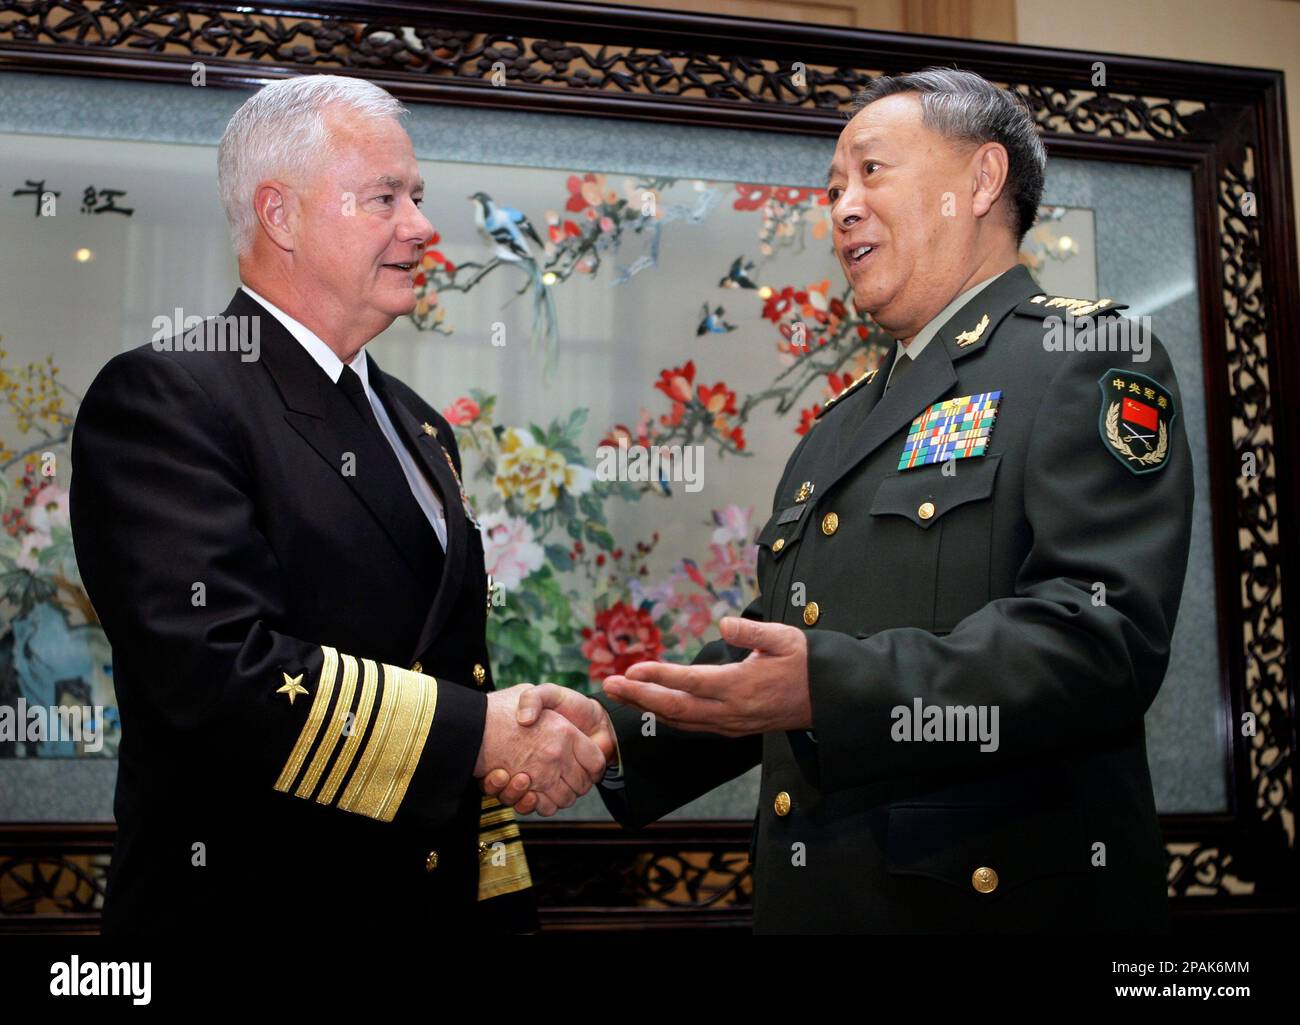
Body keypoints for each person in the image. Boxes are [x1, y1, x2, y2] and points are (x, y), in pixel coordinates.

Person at [490, 67, 1194, 933]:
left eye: (871, 171)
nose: (842, 207)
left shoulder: (1083, 357)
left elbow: (1099, 644)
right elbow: (783, 641)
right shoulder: (841, 422)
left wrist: (829, 687)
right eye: (832, 188)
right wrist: (617, 729)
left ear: (980, 181)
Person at [69, 74, 612, 935]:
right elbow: (218, 671)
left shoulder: (421, 426)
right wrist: (479, 734)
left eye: (419, 195)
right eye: (385, 196)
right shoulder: (169, 395)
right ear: (279, 214)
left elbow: (432, 659)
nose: (423, 226)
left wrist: (520, 722)